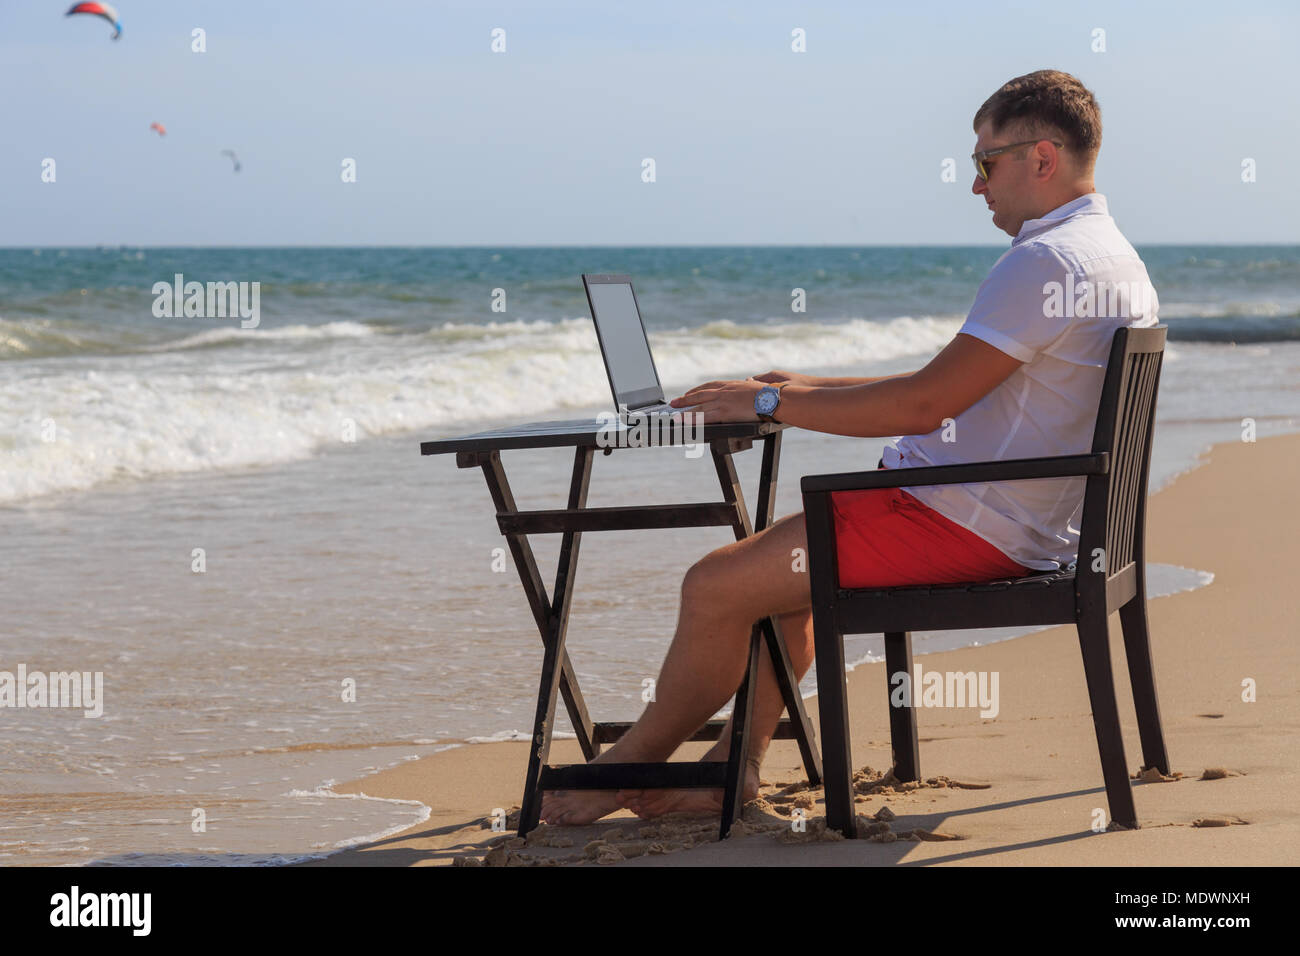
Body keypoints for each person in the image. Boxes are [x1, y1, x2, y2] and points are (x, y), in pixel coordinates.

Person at [540, 68, 1159, 826]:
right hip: (1024, 520)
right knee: (775, 578)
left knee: (715, 585)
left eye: (984, 162)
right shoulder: (1110, 256)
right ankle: (728, 772)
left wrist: (772, 404)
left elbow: (928, 404)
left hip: (966, 526)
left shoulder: (1043, 262)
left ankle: (618, 774)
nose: (975, 186)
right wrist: (806, 384)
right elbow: (952, 385)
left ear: (1042, 157)